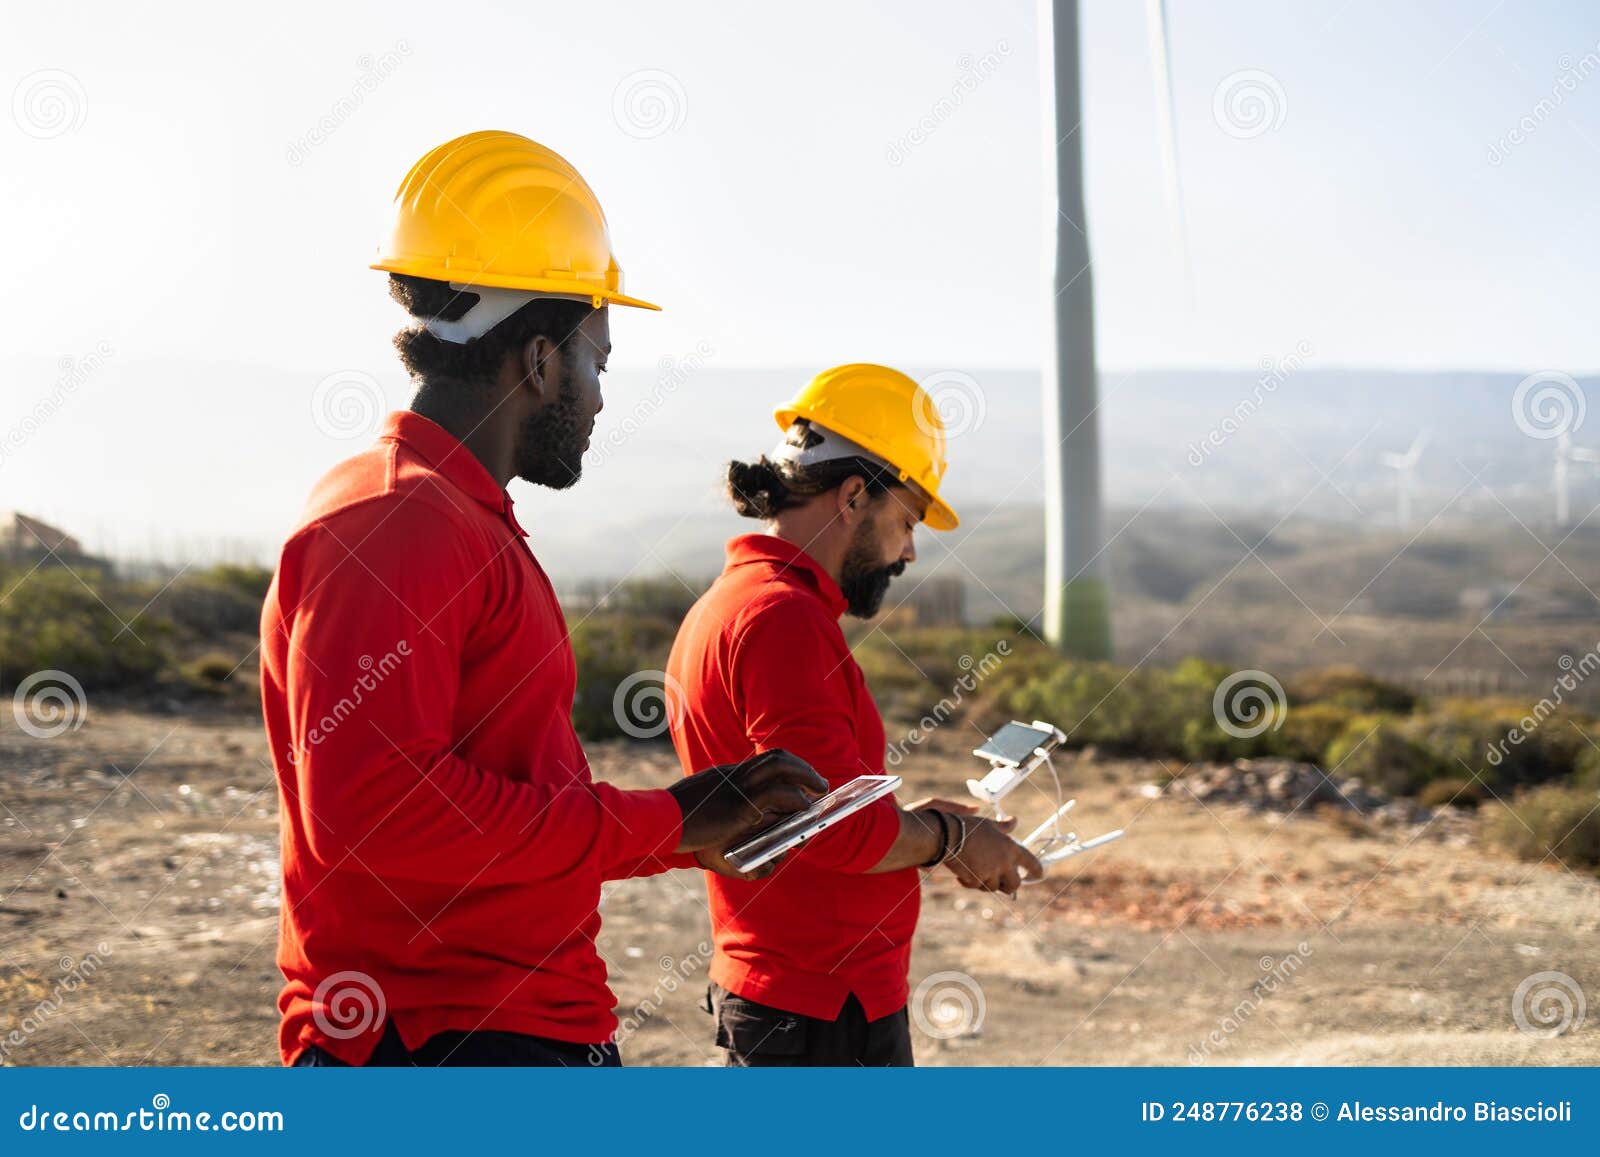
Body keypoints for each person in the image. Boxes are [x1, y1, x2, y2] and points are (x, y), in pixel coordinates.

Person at [261, 131, 824, 1068]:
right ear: (538, 361)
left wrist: (685, 820)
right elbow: (378, 813)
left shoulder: (456, 517)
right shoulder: (400, 521)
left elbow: (509, 793)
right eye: (598, 361)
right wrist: (671, 821)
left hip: (500, 1033)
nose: (602, 399)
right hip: (442, 1049)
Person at [665, 363, 1042, 1067]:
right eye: (904, 520)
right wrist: (953, 837)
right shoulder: (782, 618)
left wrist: (924, 821)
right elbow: (832, 831)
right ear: (853, 495)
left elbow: (810, 813)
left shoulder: (735, 602)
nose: (908, 550)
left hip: (796, 999)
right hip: (819, 1012)